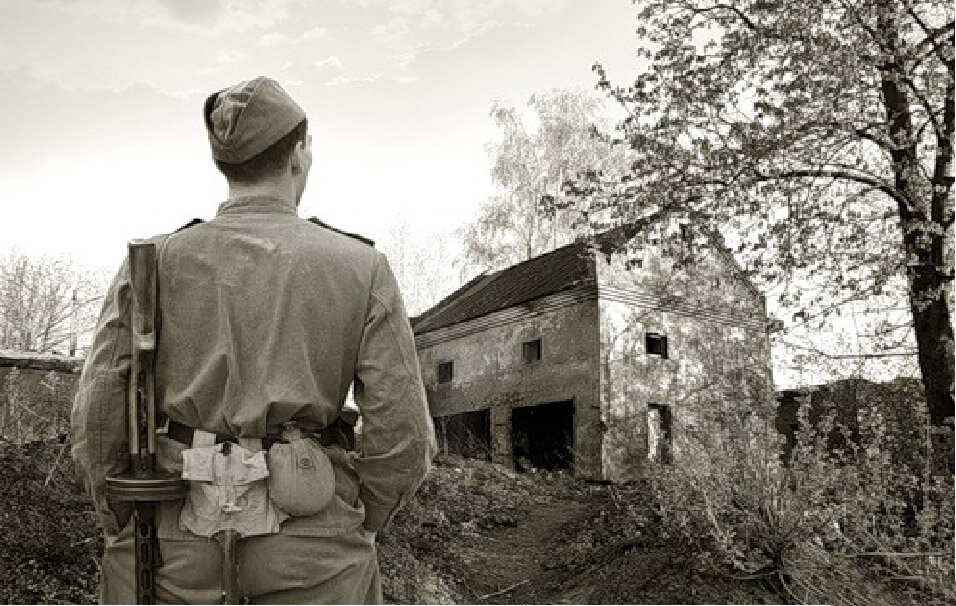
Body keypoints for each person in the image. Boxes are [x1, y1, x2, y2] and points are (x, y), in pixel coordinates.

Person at [71, 76, 436, 604]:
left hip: (167, 542)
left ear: (223, 162)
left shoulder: (152, 263)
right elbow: (404, 435)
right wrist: (355, 519)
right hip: (314, 546)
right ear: (300, 154)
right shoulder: (361, 267)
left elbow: (98, 415)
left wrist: (117, 516)